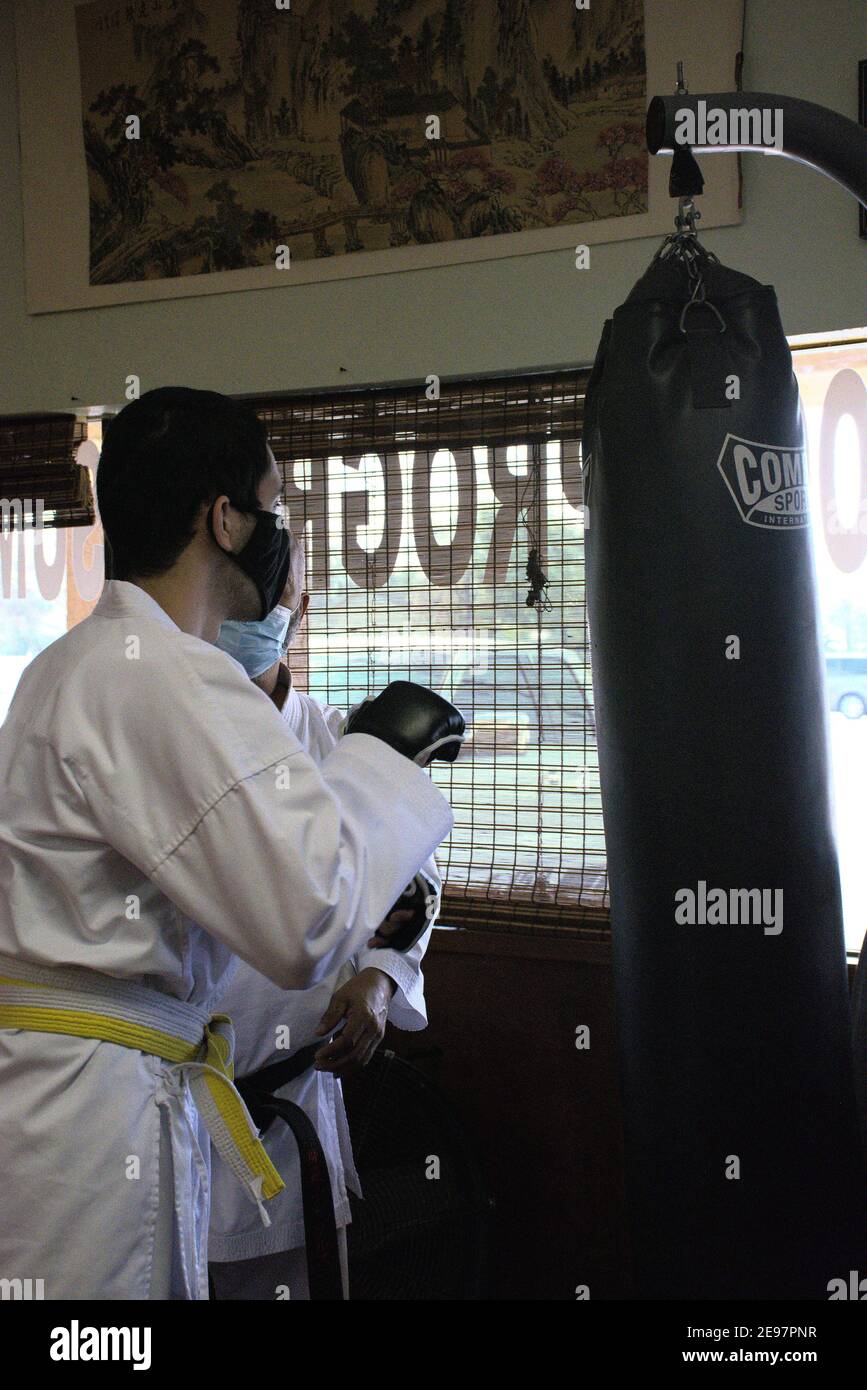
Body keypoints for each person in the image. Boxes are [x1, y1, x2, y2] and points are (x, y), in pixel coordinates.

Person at [0, 387, 463, 1300]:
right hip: (93, 1118)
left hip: (76, 1098)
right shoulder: (162, 672)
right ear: (225, 518)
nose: (284, 534)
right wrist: (384, 759)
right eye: (276, 506)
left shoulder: (76, 665)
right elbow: (307, 918)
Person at [206, 536, 440, 1299]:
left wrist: (377, 982)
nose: (252, 608)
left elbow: (409, 886)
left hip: (289, 1103)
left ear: (300, 608)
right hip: (166, 1101)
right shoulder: (170, 739)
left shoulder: (343, 746)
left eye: (278, 590)